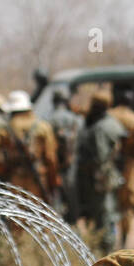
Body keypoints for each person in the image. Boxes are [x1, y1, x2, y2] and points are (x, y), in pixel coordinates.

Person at [74, 90, 126, 256]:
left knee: (104, 214)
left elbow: (100, 156)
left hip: (99, 178)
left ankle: (106, 251)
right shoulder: (112, 122)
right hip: (109, 176)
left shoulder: (100, 128)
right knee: (107, 212)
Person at [0, 90, 59, 203]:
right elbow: (50, 157)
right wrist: (53, 182)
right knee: (37, 217)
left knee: (17, 217)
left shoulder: (4, 128)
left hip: (15, 181)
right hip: (39, 181)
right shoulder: (43, 127)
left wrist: (1, 169)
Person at [108, 87, 134, 248]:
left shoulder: (109, 116)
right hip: (128, 165)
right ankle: (123, 241)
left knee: (110, 203)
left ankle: (109, 240)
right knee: (127, 204)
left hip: (109, 164)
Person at [50, 89, 83, 222]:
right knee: (72, 195)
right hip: (72, 164)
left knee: (56, 195)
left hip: (55, 164)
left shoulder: (49, 119)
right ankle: (74, 224)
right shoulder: (75, 119)